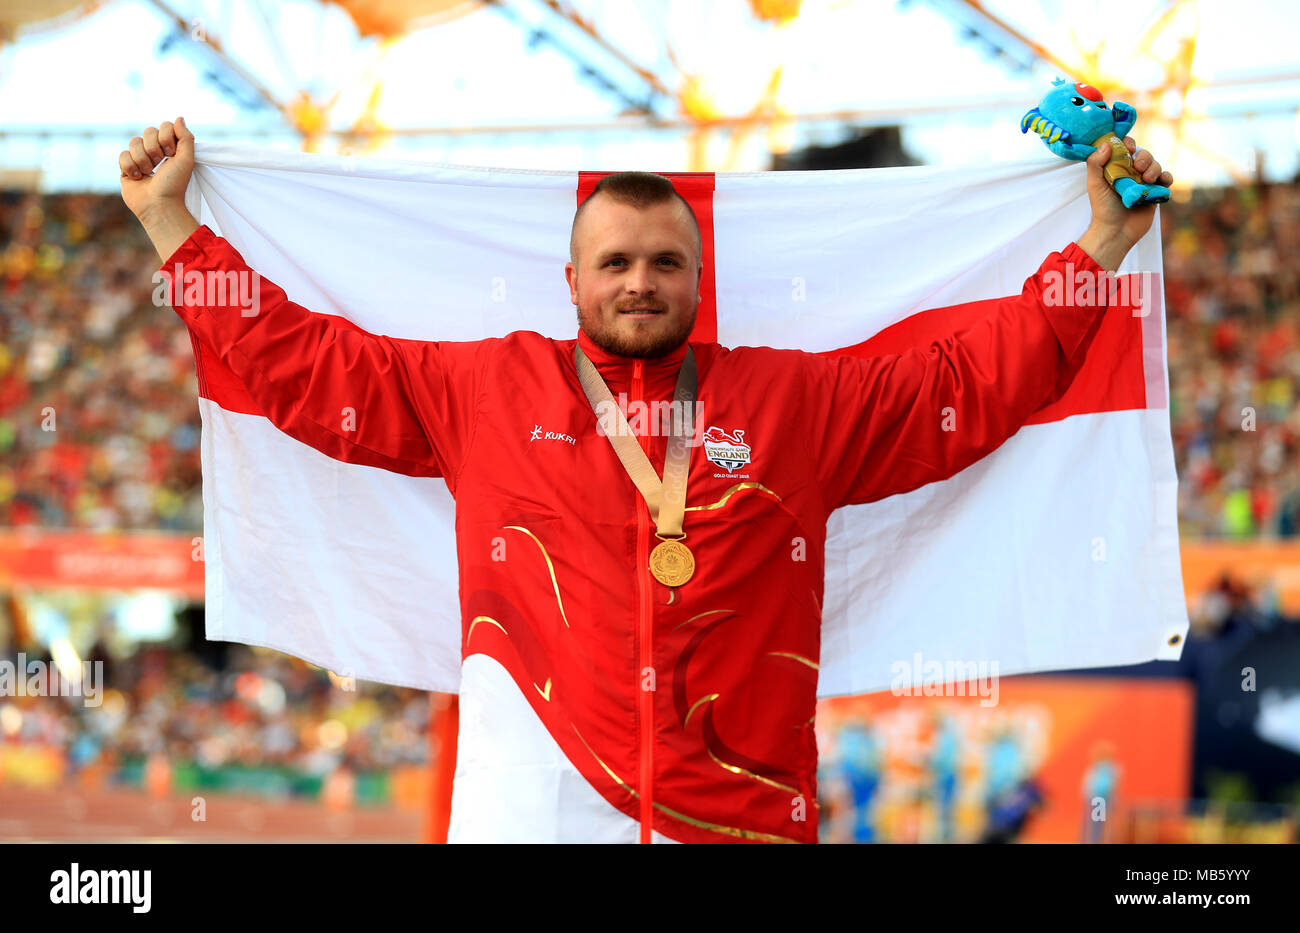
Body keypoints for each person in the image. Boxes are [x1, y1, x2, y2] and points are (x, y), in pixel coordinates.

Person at [119, 117, 1172, 844]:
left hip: (738, 802)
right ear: (569, 280)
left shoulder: (794, 402)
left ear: (698, 281)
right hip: (534, 794)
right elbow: (310, 368)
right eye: (614, 261)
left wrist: (1102, 243)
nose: (637, 280)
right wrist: (172, 225)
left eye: (664, 263)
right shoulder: (485, 386)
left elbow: (968, 385)